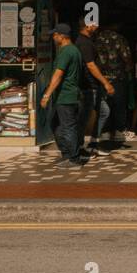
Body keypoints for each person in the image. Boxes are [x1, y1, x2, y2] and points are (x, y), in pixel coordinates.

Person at [39, 24, 84, 168]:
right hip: (67, 95)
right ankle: (66, 154)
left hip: (66, 96)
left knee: (68, 127)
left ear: (62, 36)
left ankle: (74, 159)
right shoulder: (73, 50)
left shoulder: (66, 51)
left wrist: (47, 95)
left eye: (55, 35)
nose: (53, 37)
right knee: (56, 125)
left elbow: (58, 75)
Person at [75, 18, 114, 158]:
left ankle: (93, 144)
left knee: (103, 112)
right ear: (86, 26)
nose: (96, 26)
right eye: (93, 24)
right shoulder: (84, 43)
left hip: (92, 86)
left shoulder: (86, 41)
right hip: (88, 86)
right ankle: (79, 148)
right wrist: (106, 83)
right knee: (84, 118)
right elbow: (91, 65)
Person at [94, 22, 134, 150]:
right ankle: (117, 136)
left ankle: (104, 136)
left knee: (104, 108)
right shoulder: (119, 38)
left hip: (101, 78)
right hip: (117, 78)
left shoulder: (97, 39)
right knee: (119, 107)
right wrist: (128, 69)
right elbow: (127, 57)